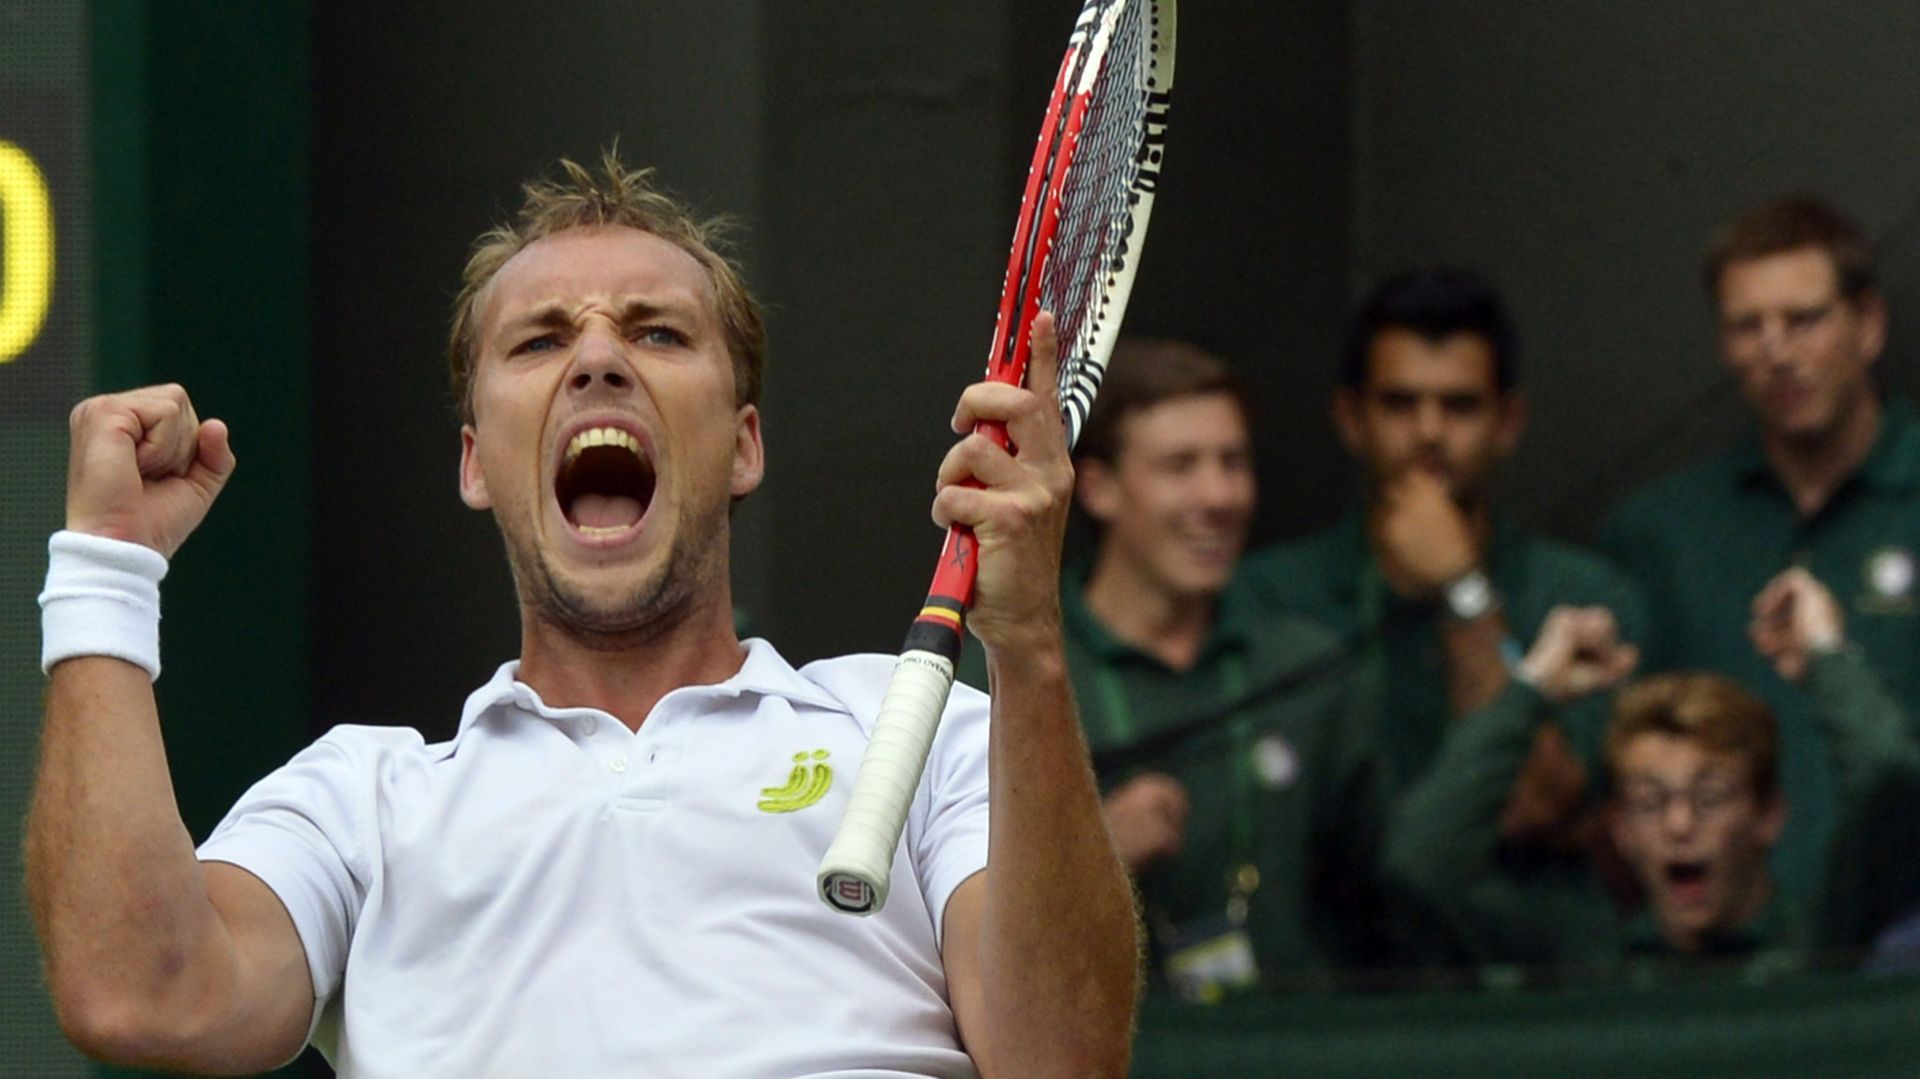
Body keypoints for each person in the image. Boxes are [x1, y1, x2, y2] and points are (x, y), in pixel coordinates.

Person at [27, 152, 1137, 1076]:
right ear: (476, 463)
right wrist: (105, 568)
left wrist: (1028, 646)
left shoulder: (923, 736)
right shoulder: (361, 803)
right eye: (540, 340)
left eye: (658, 334)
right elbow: (139, 994)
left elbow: (1062, 1054)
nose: (599, 357)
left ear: (743, 444)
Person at [960, 339, 1385, 997]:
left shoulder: (1306, 666)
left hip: (1292, 1035)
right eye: (1180, 466)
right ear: (1097, 487)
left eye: (1233, 462)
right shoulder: (1008, 667)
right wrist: (1092, 857)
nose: (1219, 495)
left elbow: (1385, 905)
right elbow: (951, 920)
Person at [1242, 268, 1648, 852]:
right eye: (1399, 404)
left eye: (1459, 406)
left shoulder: (1588, 598)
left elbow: (1531, 803)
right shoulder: (1269, 596)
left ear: (1508, 422)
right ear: (1352, 419)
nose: (1429, 432)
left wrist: (1463, 589)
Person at [1599, 195, 1920, 903]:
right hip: (1723, 945)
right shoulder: (1661, 535)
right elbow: (1610, 788)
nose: (1776, 353)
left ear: (1868, 325)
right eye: (1748, 327)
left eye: (1804, 321)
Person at [1386, 569, 1920, 971]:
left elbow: (1892, 778)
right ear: (1621, 829)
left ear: (1768, 815)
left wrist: (1827, 656)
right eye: (1649, 802)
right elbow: (1421, 861)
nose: (1679, 825)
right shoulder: (1584, 965)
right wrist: (1532, 689)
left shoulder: (1823, 943)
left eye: (1710, 797)